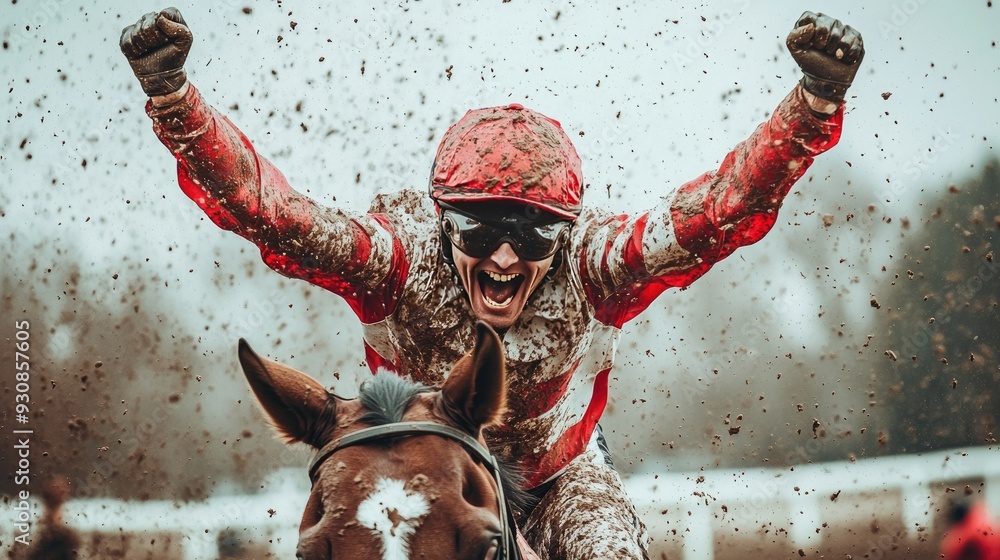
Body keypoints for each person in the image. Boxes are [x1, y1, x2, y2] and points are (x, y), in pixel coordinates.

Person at [120, 7, 864, 559]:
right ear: (442, 225)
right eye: (480, 232)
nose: (505, 260)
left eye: (532, 234)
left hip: (561, 477)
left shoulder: (596, 264)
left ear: (565, 234)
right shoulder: (394, 259)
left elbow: (717, 213)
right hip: (418, 463)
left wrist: (811, 107)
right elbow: (272, 216)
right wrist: (176, 101)